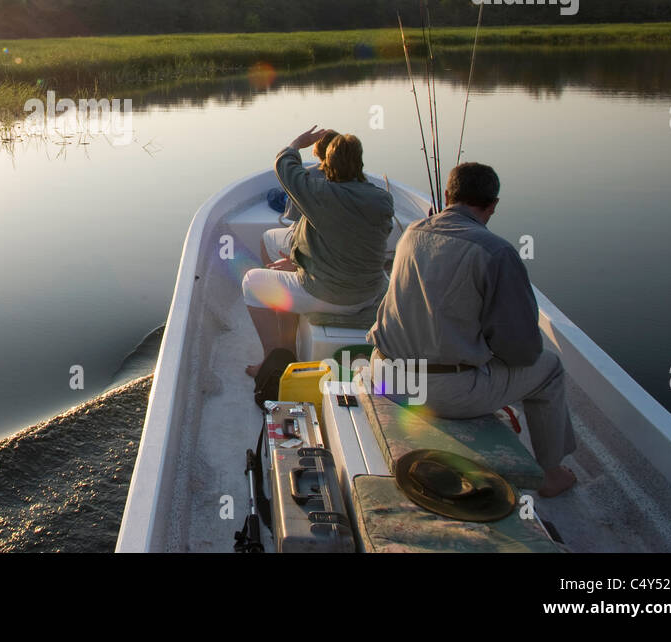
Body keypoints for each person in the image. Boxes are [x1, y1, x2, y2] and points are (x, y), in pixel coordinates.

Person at [366, 162, 578, 498]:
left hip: (384, 376)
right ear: (493, 205)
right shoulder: (498, 252)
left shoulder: (410, 233)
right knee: (549, 367)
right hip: (439, 392)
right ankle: (551, 473)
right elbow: (522, 350)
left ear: (448, 196)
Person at [243, 125, 394, 376]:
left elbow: (284, 167)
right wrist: (299, 263)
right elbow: (351, 246)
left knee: (251, 282)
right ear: (359, 162)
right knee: (279, 244)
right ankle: (287, 338)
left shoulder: (319, 193)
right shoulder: (382, 199)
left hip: (327, 295)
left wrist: (297, 143)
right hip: (368, 293)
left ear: (327, 165)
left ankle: (275, 356)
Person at [261, 128, 340, 267]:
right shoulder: (353, 179)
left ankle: (276, 280)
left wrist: (296, 144)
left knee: (266, 238)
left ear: (318, 152)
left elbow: (294, 215)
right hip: (338, 245)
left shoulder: (307, 177)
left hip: (310, 245)